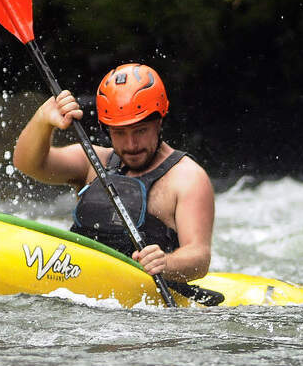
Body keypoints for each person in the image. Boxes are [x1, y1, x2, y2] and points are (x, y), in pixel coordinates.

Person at [13, 63, 214, 281]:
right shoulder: (93, 161)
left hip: (144, 301)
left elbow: (199, 256)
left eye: (140, 131)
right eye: (119, 133)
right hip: (79, 284)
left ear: (160, 121)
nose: (131, 144)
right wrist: (43, 120)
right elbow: (28, 164)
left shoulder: (187, 178)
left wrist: (165, 263)